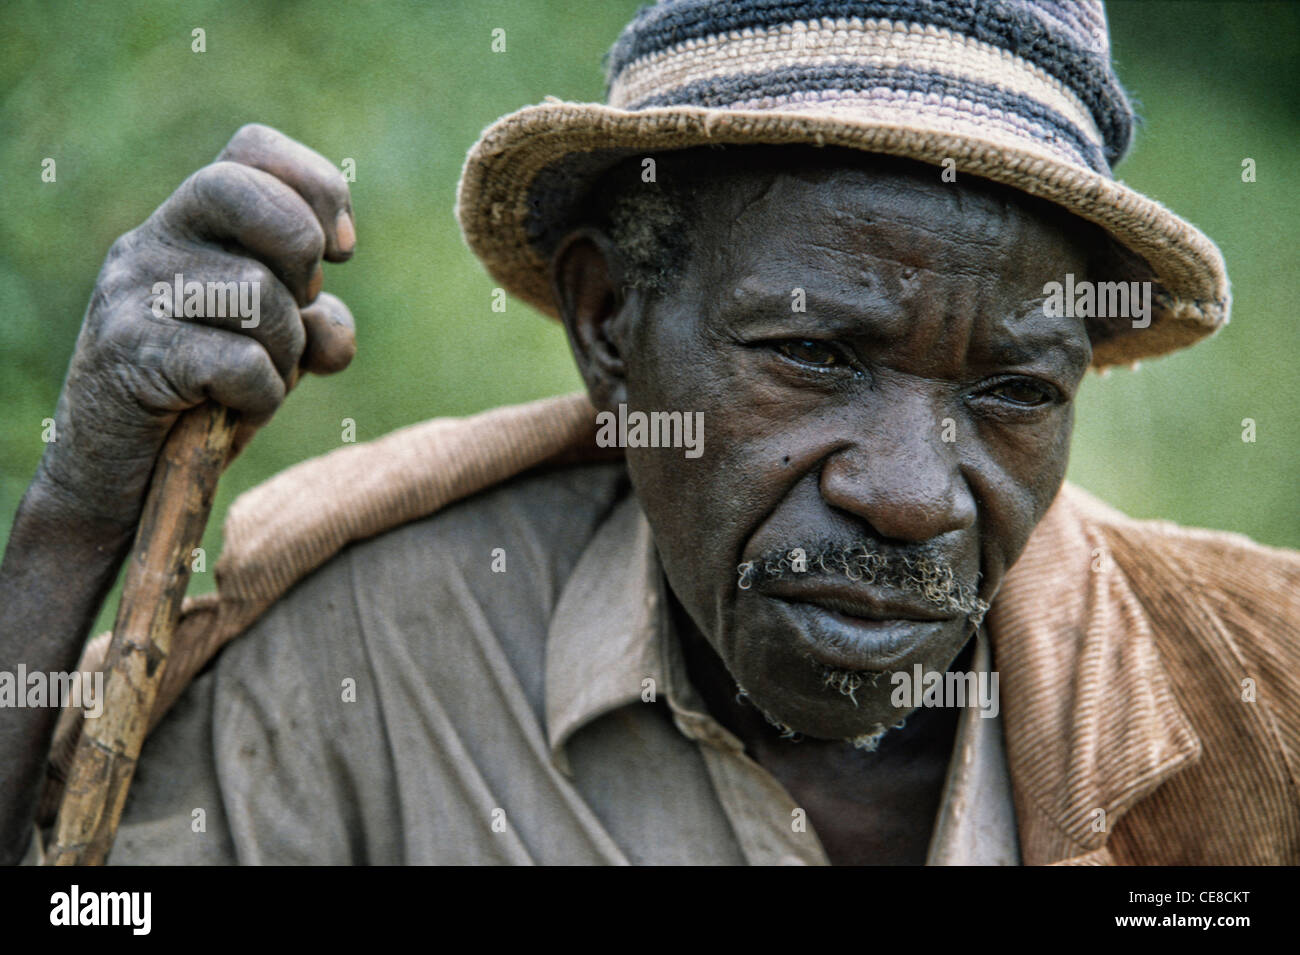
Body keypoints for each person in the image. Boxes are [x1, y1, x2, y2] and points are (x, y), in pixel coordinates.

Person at [2, 0, 1297, 866]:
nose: (912, 497)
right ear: (609, 323)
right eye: (814, 355)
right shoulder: (367, 667)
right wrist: (74, 520)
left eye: (1013, 391)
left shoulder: (1255, 701)